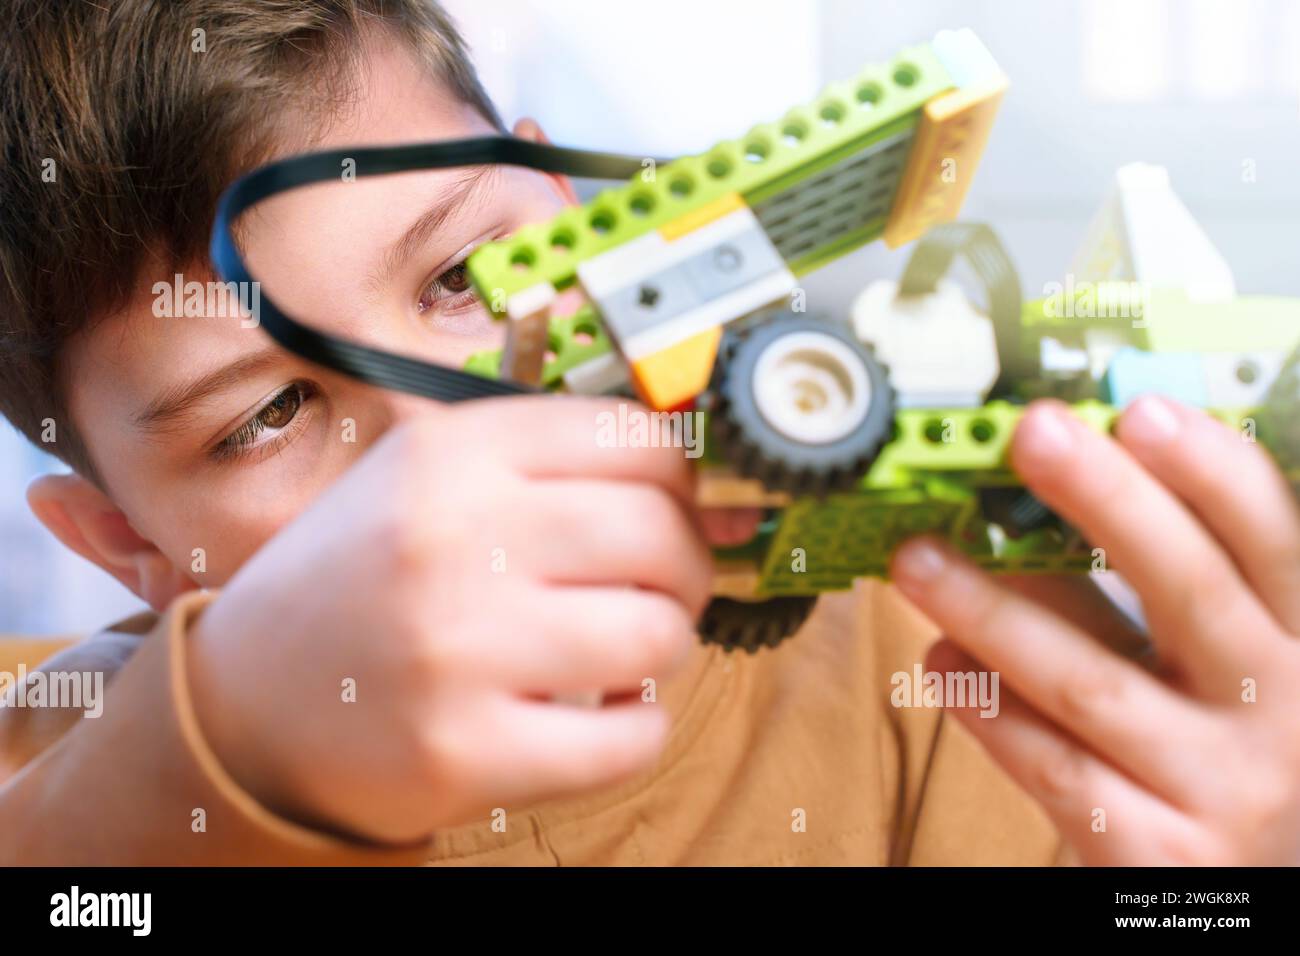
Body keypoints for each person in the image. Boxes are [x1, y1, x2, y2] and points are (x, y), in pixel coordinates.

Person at [2, 0, 1297, 865]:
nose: (446, 456)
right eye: (272, 414)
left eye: (466, 278)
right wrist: (240, 740)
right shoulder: (59, 760)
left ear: (579, 208)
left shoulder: (948, 652)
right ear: (128, 544)